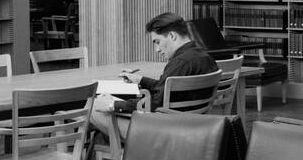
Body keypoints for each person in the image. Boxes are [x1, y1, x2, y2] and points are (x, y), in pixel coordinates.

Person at [89, 11, 218, 144]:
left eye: (157, 42)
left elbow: (155, 103)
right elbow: (168, 89)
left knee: (93, 110)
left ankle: (75, 157)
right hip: (195, 128)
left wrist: (113, 104)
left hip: (163, 135)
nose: (157, 49)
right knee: (102, 136)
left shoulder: (179, 63)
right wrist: (140, 80)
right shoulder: (204, 57)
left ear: (172, 36)